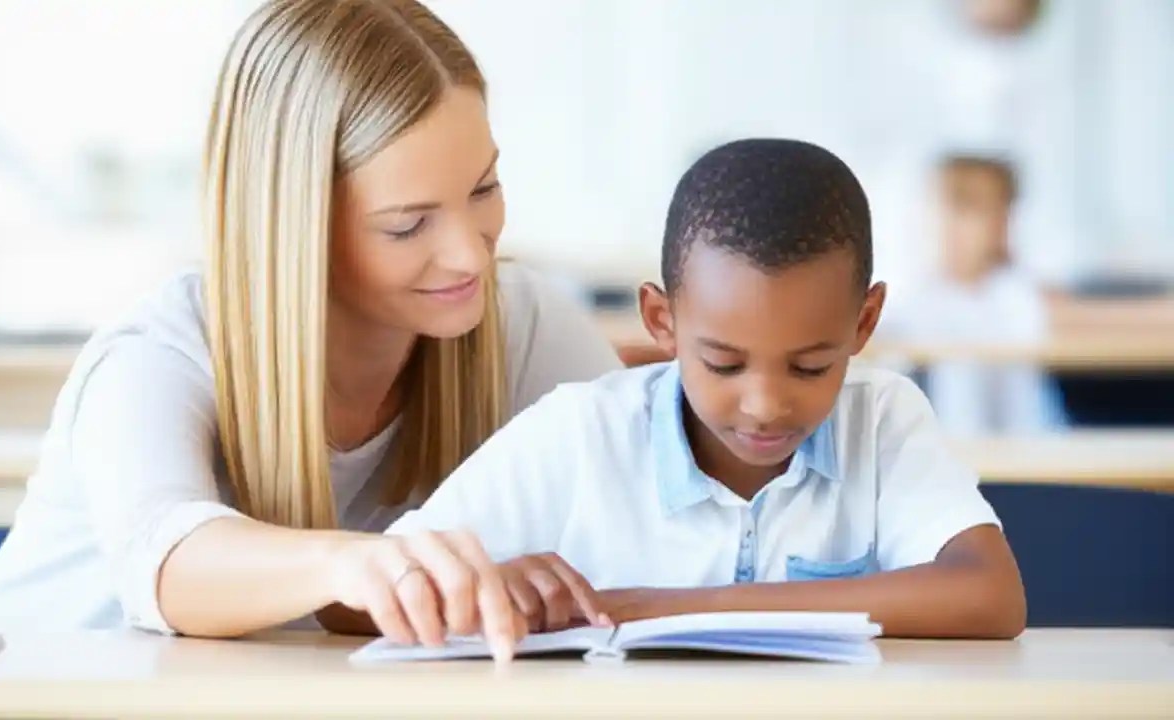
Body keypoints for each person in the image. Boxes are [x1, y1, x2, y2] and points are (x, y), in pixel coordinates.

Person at [0, 0, 622, 659]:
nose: (470, 256)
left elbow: (651, 484)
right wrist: (360, 563)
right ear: (299, 225)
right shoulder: (158, 351)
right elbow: (169, 561)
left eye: (483, 189)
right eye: (407, 225)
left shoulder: (522, 323)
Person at [387, 139, 1028, 639]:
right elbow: (372, 589)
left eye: (810, 367)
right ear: (661, 320)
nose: (765, 405)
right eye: (723, 364)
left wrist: (668, 608)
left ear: (864, 323)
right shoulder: (582, 431)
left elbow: (990, 594)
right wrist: (489, 587)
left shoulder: (881, 420)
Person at [881, 154, 1065, 434]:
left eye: (968, 210)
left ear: (1003, 222)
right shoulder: (909, 298)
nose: (948, 223)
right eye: (938, 207)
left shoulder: (1017, 297)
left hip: (1015, 446)